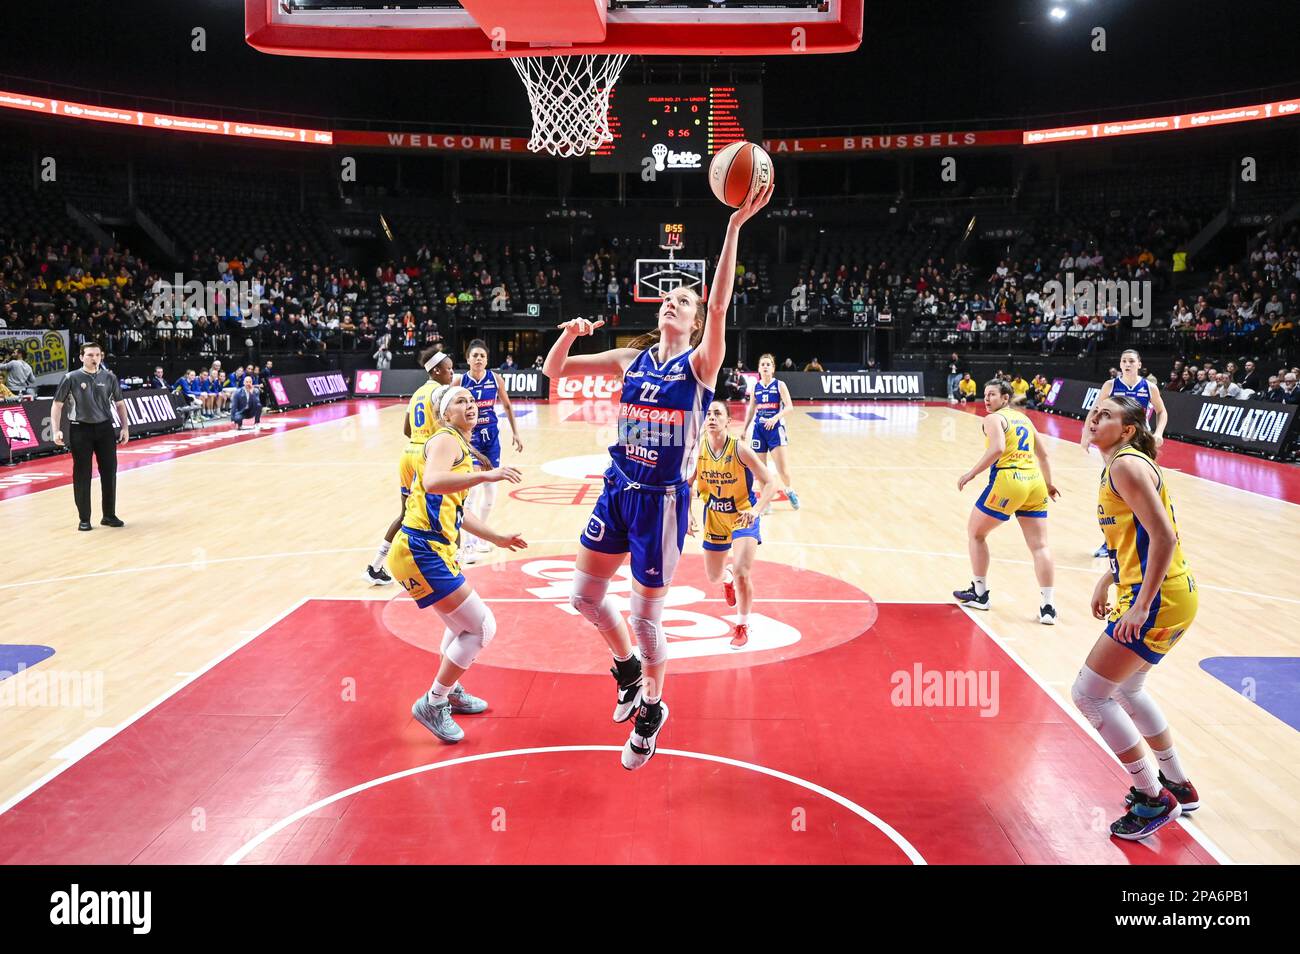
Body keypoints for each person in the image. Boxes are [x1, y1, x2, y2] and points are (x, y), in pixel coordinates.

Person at [542, 177, 772, 771]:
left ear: (697, 321)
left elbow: (721, 303)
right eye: (668, 296)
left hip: (663, 504)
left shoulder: (701, 364)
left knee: (647, 618)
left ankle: (652, 708)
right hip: (618, 489)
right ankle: (623, 672)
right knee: (584, 597)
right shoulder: (630, 358)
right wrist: (568, 334)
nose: (673, 300)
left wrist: (733, 226)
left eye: (684, 300)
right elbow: (556, 373)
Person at [1074, 395, 1199, 840]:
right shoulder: (1126, 463)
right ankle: (1178, 784)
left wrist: (1142, 604)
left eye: (1106, 414)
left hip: (1158, 598)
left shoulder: (1125, 466)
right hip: (1170, 593)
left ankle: (1151, 798)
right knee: (1128, 688)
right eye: (1094, 410)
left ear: (1127, 430)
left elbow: (1163, 536)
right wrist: (1108, 579)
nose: (1094, 416)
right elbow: (1143, 535)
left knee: (1089, 694)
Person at [388, 384, 527, 744]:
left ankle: (448, 691)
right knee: (481, 628)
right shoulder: (446, 439)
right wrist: (486, 474)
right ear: (444, 414)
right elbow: (433, 483)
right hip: (422, 549)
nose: (469, 404)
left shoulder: (458, 444)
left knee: (459, 626)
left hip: (427, 550)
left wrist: (497, 538)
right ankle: (433, 702)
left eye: (470, 399)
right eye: (459, 401)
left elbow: (456, 510)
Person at [953, 379, 1060, 623]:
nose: (987, 399)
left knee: (976, 534)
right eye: (985, 394)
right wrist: (1049, 483)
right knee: (1040, 546)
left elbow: (998, 448)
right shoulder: (1024, 418)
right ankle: (1048, 607)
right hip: (1035, 482)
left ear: (1005, 398)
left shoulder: (992, 419)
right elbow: (1043, 454)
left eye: (992, 394)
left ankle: (980, 594)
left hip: (1010, 479)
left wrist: (971, 474)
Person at [689, 400, 779, 649]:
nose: (712, 417)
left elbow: (770, 482)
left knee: (742, 571)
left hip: (742, 516)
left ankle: (742, 624)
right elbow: (686, 485)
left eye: (718, 413)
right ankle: (726, 579)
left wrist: (756, 510)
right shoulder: (698, 449)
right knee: (714, 576)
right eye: (708, 413)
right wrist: (687, 514)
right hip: (714, 517)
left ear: (728, 421)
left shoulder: (740, 450)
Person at [365, 348, 456, 585]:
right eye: (449, 369)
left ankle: (375, 565)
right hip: (426, 456)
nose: (452, 373)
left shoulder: (418, 392)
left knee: (406, 513)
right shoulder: (441, 392)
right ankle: (448, 562)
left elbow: (406, 429)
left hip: (408, 454)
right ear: (436, 370)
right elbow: (450, 427)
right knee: (448, 508)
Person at [1081, 349, 1167, 558]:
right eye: (1124, 361)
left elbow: (1161, 411)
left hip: (1140, 441)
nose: (1127, 364)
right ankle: (1109, 542)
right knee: (1113, 494)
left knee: (1145, 493)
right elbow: (1095, 410)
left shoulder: (1149, 387)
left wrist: (1159, 433)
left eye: (1131, 361)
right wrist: (1086, 434)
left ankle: (1149, 538)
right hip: (1114, 441)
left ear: (1139, 364)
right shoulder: (1111, 385)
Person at [50, 342, 128, 531]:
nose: (95, 359)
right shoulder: (71, 377)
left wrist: (125, 427)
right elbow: (57, 405)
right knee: (82, 473)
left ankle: (109, 515)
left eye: (98, 355)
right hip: (80, 429)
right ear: (81, 357)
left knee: (109, 472)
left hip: (105, 429)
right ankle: (84, 518)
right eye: (90, 355)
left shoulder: (110, 377)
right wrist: (56, 429)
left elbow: (120, 403)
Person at [458, 340, 525, 562]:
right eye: (475, 355)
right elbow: (447, 410)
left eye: (482, 356)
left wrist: (516, 432)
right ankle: (467, 543)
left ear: (487, 360)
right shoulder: (460, 381)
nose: (478, 359)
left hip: (491, 439)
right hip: (471, 440)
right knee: (473, 492)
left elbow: (506, 406)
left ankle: (480, 536)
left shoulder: (496, 379)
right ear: (468, 359)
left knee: (490, 493)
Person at [741, 353, 800, 512]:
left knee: (783, 470)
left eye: (768, 364)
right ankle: (765, 503)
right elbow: (752, 409)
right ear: (759, 369)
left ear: (773, 368)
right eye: (763, 364)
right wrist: (745, 428)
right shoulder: (755, 387)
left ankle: (789, 490)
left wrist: (775, 418)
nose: (765, 367)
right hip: (759, 430)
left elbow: (789, 406)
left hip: (775, 430)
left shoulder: (780, 385)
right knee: (761, 469)